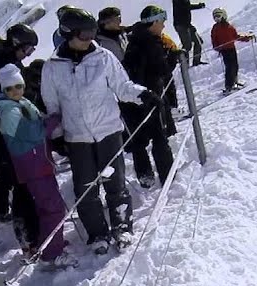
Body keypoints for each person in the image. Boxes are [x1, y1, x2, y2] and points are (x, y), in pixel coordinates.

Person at [43, 7, 155, 252]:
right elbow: (53, 107)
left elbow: (122, 86)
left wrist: (142, 94)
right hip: (77, 137)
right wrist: (58, 135)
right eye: (84, 35)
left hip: (108, 131)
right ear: (68, 34)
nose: (89, 40)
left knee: (115, 182)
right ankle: (97, 235)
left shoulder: (103, 57)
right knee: (85, 188)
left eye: (92, 33)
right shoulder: (52, 67)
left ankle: (122, 227)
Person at [0, 64, 68, 262]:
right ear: (3, 90)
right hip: (33, 167)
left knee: (48, 207)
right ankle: (53, 253)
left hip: (39, 164)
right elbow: (34, 132)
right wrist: (53, 120)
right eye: (9, 88)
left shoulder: (21, 104)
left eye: (18, 86)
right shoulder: (10, 111)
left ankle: (52, 242)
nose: (15, 91)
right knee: (53, 208)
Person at [0, 23, 40, 234]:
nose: (28, 54)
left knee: (6, 167)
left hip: (3, 122)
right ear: (17, 44)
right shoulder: (2, 65)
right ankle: (11, 213)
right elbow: (7, 96)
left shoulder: (4, 60)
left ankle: (0, 208)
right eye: (27, 49)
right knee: (9, 167)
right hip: (5, 123)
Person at [123, 6, 178, 188]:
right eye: (161, 21)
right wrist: (173, 58)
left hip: (133, 98)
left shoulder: (135, 39)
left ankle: (145, 177)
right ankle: (168, 175)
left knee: (139, 140)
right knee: (159, 137)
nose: (163, 25)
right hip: (150, 97)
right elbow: (162, 70)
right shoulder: (150, 42)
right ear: (154, 22)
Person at [210, 8, 256, 93]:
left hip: (231, 49)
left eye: (218, 16)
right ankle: (229, 86)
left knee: (235, 66)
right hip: (224, 50)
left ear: (223, 16)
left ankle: (234, 82)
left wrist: (247, 38)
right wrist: (217, 47)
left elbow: (236, 36)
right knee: (229, 67)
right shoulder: (215, 28)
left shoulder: (228, 26)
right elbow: (214, 39)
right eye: (215, 17)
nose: (217, 19)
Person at [172, 0, 208, 66]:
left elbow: (186, 7)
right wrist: (199, 6)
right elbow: (185, 7)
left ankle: (196, 62)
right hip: (181, 25)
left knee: (198, 41)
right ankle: (185, 66)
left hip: (185, 24)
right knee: (187, 46)